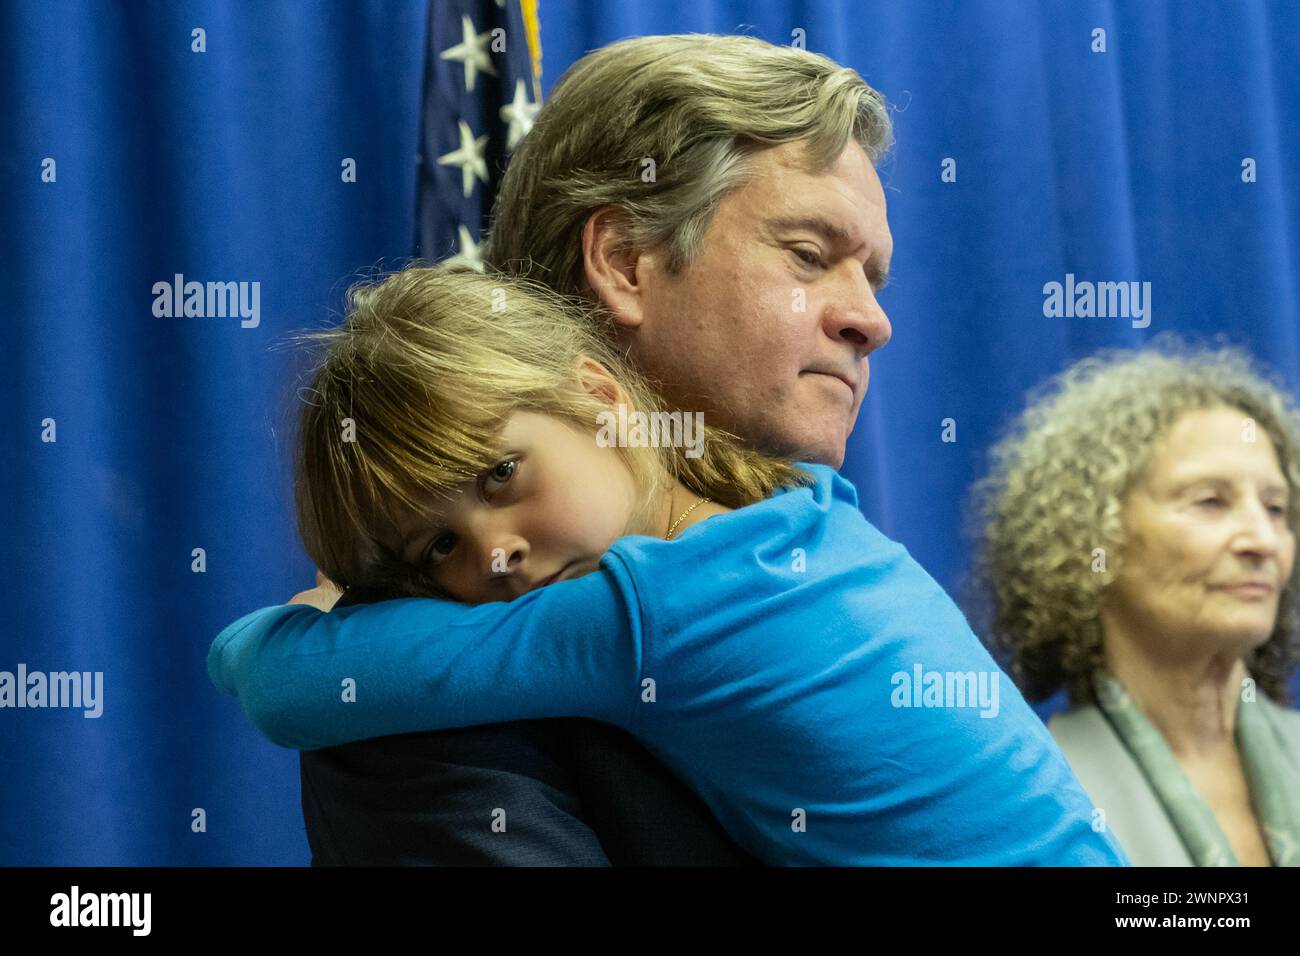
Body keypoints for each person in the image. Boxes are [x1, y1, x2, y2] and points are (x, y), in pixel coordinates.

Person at [210, 264, 1128, 866]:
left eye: (499, 476)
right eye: (434, 547)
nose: (494, 554)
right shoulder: (800, 509)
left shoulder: (656, 612)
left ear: (600, 396)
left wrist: (306, 619)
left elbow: (281, 684)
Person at [293, 31, 900, 866]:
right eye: (809, 255)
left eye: (872, 276)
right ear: (624, 262)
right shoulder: (405, 679)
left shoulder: (811, 557)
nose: (871, 320)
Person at [969, 341, 1300, 866]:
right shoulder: (1039, 799)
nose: (1262, 540)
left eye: (1277, 508)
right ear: (1091, 536)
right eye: (1210, 501)